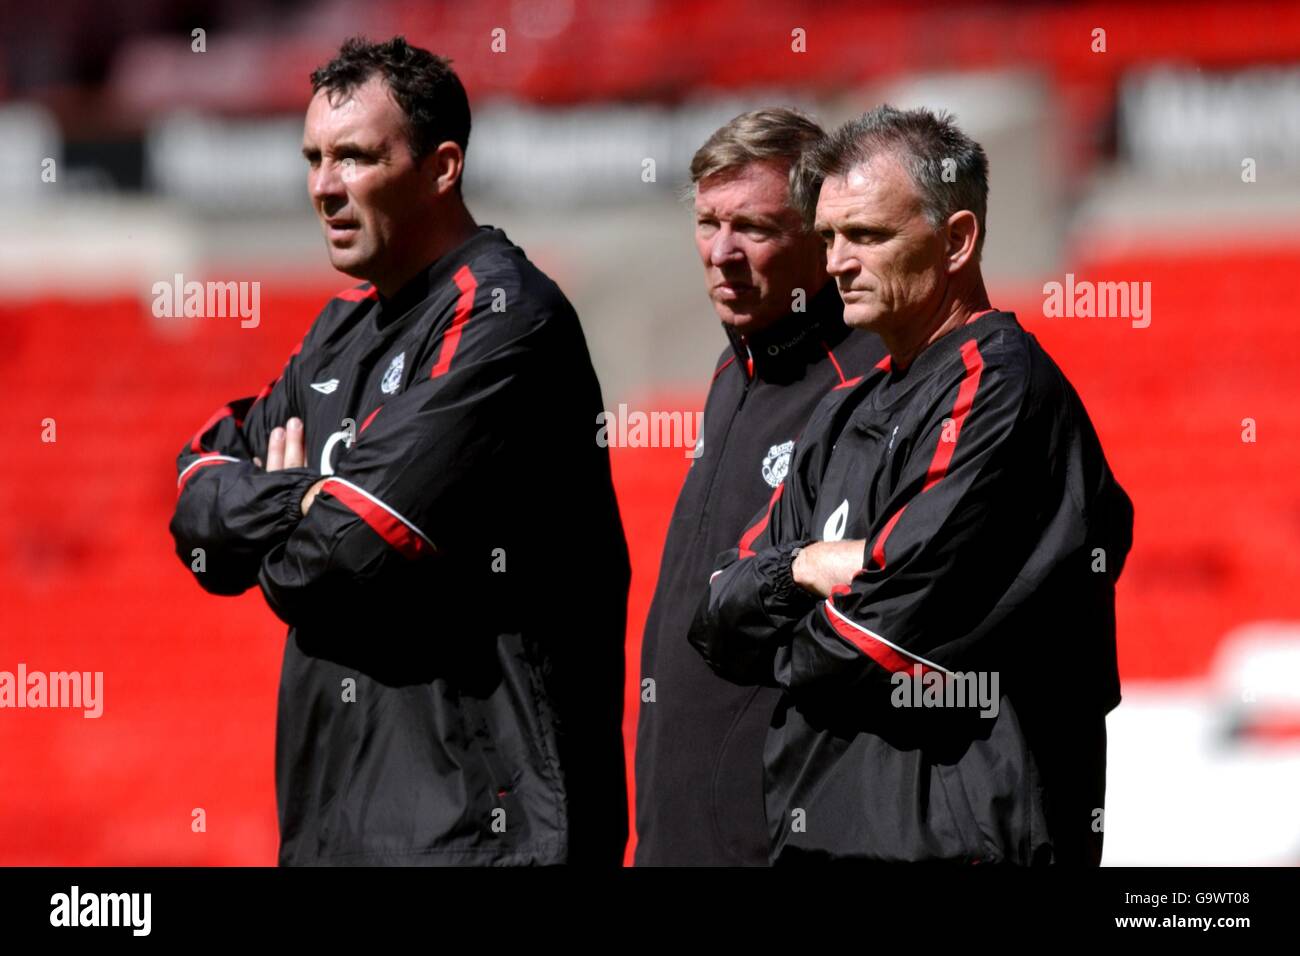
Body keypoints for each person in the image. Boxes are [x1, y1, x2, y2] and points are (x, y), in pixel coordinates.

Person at [169, 36, 629, 866]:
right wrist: (303, 500)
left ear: (441, 166)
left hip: (483, 835)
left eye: (354, 157)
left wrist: (290, 507)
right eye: (313, 157)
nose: (323, 187)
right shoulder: (340, 326)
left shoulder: (503, 316)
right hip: (335, 824)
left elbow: (351, 549)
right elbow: (197, 509)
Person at [689, 105, 1134, 865]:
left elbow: (881, 638)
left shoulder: (999, 387)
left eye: (866, 235)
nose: (836, 263)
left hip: (955, 846)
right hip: (817, 839)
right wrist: (803, 567)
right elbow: (718, 617)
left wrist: (798, 611)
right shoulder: (841, 410)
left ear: (957, 239)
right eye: (829, 237)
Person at [634, 109, 885, 866]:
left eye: (755, 228)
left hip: (775, 837)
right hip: (673, 829)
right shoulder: (732, 366)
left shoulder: (870, 386)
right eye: (708, 222)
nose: (721, 253)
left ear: (821, 236)